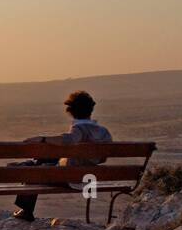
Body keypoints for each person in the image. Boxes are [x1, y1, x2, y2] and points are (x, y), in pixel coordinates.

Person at [13, 90, 112, 221]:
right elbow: (103, 158)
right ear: (91, 110)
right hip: (89, 177)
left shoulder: (79, 129)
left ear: (70, 111)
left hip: (72, 178)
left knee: (33, 172)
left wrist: (42, 139)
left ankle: (26, 210)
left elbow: (69, 140)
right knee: (43, 161)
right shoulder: (104, 132)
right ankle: (31, 164)